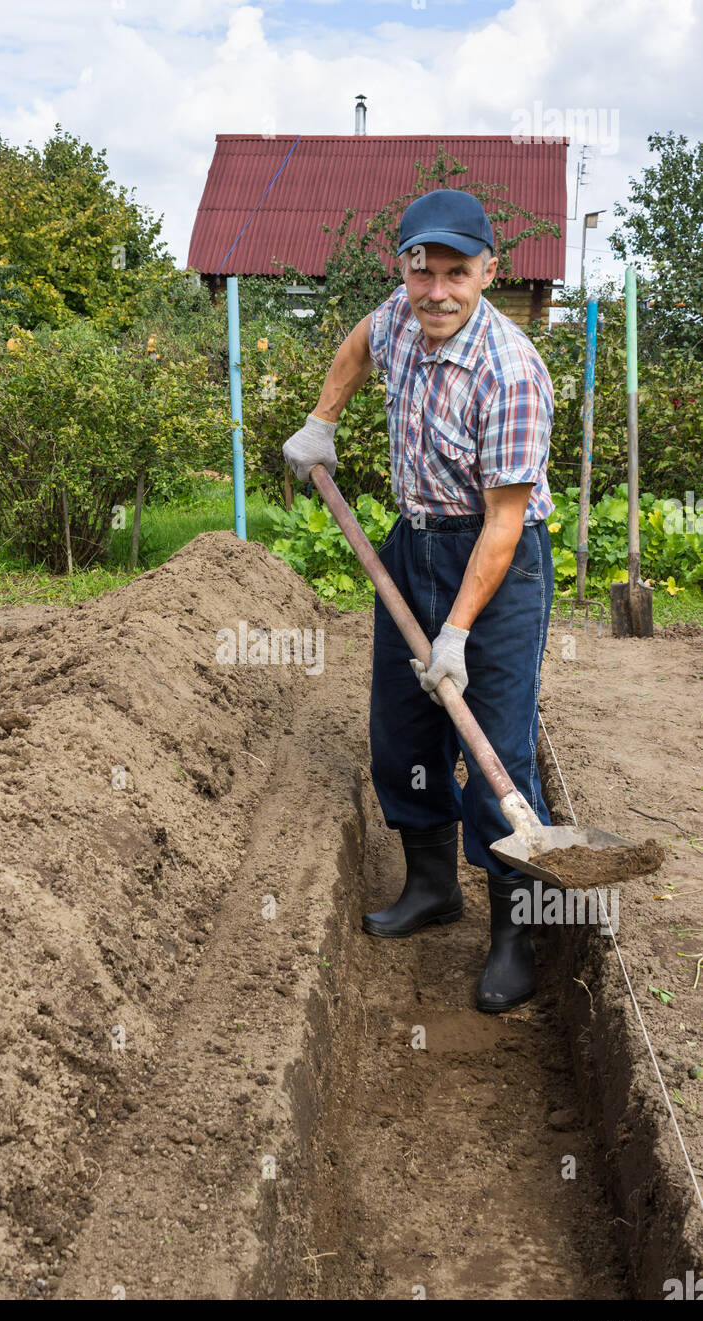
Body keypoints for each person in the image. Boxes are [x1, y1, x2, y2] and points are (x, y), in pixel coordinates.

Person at [282, 188, 555, 1013]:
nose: (436, 290)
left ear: (488, 273)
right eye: (421, 269)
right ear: (403, 266)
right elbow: (364, 339)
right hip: (412, 546)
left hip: (494, 565)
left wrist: (458, 633)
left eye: (456, 273)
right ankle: (432, 885)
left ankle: (518, 932)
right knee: (401, 726)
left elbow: (505, 524)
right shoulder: (400, 314)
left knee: (494, 746)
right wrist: (322, 418)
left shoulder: (511, 374)